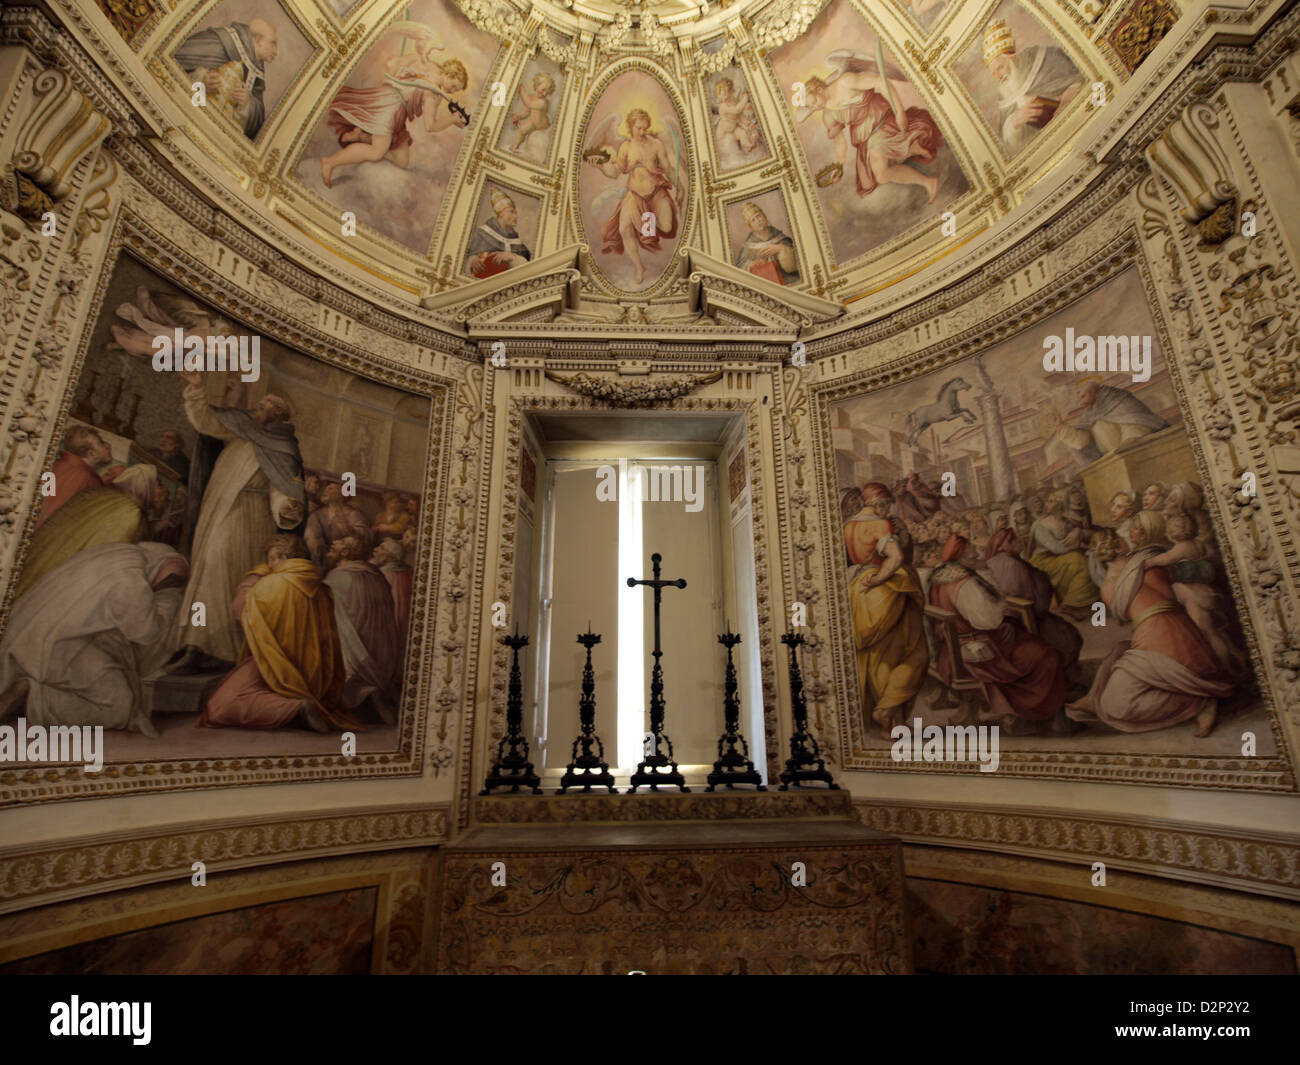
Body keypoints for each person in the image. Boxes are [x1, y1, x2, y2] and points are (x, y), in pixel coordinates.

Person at [169, 374, 307, 674]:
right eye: (262, 402)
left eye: (269, 404)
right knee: (205, 568)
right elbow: (205, 420)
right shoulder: (241, 429)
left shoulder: (282, 446)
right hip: (217, 508)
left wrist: (285, 506)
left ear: (280, 415)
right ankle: (194, 643)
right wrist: (195, 388)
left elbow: (281, 486)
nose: (261, 406)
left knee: (221, 570)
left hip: (248, 515)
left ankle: (220, 648)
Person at [1067, 511, 1234, 736]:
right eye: (1122, 537)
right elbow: (1200, 570)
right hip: (1188, 638)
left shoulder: (1109, 588)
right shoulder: (1151, 560)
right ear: (1118, 547)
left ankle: (1197, 700)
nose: (1128, 536)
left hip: (1158, 642)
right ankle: (1092, 699)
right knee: (1118, 652)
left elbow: (1127, 615)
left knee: (1114, 706)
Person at [0, 542, 189, 735]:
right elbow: (146, 633)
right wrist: (168, 600)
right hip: (60, 648)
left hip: (47, 638)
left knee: (118, 684)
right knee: (120, 707)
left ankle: (35, 686)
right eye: (170, 582)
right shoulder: (130, 582)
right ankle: (34, 698)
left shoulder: (122, 552)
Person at [199, 534, 350, 732]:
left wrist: (251, 579)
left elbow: (240, 613)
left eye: (272, 559)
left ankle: (296, 707)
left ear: (285, 558)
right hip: (315, 674)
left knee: (218, 707)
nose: (269, 565)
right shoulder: (321, 588)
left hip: (278, 663)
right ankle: (297, 706)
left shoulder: (271, 585)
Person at [928, 534, 1067, 734]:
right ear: (959, 557)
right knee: (1046, 655)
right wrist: (1006, 616)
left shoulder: (941, 578)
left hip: (955, 647)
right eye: (970, 551)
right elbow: (989, 620)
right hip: (978, 651)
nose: (977, 553)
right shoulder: (965, 583)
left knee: (1031, 642)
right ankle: (1029, 715)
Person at [802, 43, 942, 203]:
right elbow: (840, 141)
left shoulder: (845, 82)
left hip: (882, 121)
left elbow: (881, 82)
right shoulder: (827, 116)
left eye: (814, 101)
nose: (815, 106)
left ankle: (915, 155)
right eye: (811, 106)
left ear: (819, 90)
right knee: (881, 176)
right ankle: (924, 173)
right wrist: (839, 166)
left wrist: (900, 112)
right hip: (866, 139)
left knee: (879, 164)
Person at [844, 482, 928, 735]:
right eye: (887, 504)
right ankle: (887, 710)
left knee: (876, 658)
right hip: (883, 592)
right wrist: (879, 579)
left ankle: (887, 722)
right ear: (879, 503)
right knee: (915, 653)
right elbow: (896, 557)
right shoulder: (881, 524)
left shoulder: (847, 526)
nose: (888, 509)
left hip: (856, 592)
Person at [320, 48, 469, 188]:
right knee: (377, 152)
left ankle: (363, 136)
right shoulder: (434, 95)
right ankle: (330, 162)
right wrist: (452, 120)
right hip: (391, 108)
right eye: (454, 86)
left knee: (402, 161)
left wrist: (391, 81)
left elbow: (395, 63)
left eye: (456, 90)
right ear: (450, 75)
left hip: (392, 103)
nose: (452, 91)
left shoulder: (428, 64)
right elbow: (430, 126)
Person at [15, 465, 165, 600]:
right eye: (158, 486)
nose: (161, 492)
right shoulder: (132, 512)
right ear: (146, 486)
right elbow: (109, 560)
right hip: (68, 583)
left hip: (46, 564)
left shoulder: (100, 495)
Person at [586, 108, 680, 286]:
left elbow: (668, 168)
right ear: (631, 127)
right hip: (635, 194)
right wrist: (599, 165)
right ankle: (639, 267)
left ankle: (648, 220)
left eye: (645, 128)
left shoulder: (656, 145)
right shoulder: (626, 147)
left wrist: (681, 187)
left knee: (667, 227)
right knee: (624, 229)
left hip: (656, 191)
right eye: (638, 128)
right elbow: (614, 172)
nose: (642, 132)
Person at [1148, 510, 1239, 672]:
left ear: (1172, 531)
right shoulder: (1199, 544)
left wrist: (1147, 562)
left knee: (1208, 632)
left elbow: (1164, 559)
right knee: (1216, 631)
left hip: (1193, 596)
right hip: (1206, 591)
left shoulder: (1181, 548)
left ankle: (1226, 668)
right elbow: (1211, 556)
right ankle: (1239, 658)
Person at [984, 527, 1083, 672]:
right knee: (1070, 637)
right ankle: (1065, 680)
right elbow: (1034, 603)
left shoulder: (991, 562)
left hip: (1003, 619)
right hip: (1022, 621)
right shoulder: (1012, 564)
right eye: (1014, 540)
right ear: (1003, 546)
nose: (1019, 542)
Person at [325, 537, 402, 722]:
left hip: (358, 657)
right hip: (382, 656)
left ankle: (364, 691)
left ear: (345, 553)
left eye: (335, 544)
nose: (330, 547)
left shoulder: (336, 579)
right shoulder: (376, 575)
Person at [981, 18, 1084, 155]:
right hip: (1048, 152)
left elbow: (1085, 78)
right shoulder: (1004, 94)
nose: (999, 76)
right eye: (994, 73)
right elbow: (1009, 151)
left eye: (1000, 68)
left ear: (1012, 57)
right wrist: (1014, 121)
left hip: (1080, 126)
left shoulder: (1046, 58)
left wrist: (1065, 99)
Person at [174, 16, 279, 138]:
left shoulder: (257, 74)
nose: (276, 51)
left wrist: (247, 103)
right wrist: (201, 79)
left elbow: (257, 121)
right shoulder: (223, 40)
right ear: (259, 40)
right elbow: (178, 61)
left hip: (214, 135)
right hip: (186, 116)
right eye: (273, 43)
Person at [1050, 378, 1170, 460]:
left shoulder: (1119, 400)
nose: (1081, 403)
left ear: (1096, 393)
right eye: (1080, 399)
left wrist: (1123, 449)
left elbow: (1135, 425)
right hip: (1115, 459)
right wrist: (1061, 426)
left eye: (1083, 397)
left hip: (1138, 452)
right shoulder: (1090, 413)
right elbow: (1082, 441)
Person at [1029, 489, 1098, 619]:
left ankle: (1082, 603)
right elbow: (1056, 548)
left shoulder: (1066, 521)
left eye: (1051, 501)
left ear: (1060, 504)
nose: (1047, 504)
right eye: (1048, 501)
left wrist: (1078, 531)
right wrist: (1078, 544)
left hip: (1059, 558)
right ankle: (1072, 605)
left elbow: (1086, 534)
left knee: (1087, 558)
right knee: (1078, 560)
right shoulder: (1040, 525)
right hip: (1042, 560)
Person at [36, 425, 114, 528]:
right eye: (100, 443)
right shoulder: (85, 479)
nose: (107, 445)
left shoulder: (56, 465)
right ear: (92, 454)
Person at [464, 187, 532, 278]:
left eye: (516, 213)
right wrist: (472, 261)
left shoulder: (518, 243)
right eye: (511, 212)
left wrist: (512, 257)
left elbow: (528, 269)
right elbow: (463, 259)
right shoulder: (481, 234)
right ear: (501, 213)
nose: (515, 216)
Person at [304, 482, 372, 571]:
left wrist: (347, 528)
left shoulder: (353, 514)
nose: (325, 491)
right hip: (323, 559)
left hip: (346, 559)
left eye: (331, 488)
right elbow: (310, 536)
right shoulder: (317, 514)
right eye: (326, 488)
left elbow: (365, 537)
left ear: (342, 493)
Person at [733, 202, 800, 286]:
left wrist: (780, 249)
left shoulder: (780, 237)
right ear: (750, 226)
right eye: (753, 220)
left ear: (764, 216)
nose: (758, 221)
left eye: (758, 216)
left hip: (788, 281)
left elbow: (798, 262)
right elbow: (739, 271)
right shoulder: (748, 246)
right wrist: (751, 265)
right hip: (764, 285)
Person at [373, 538, 413, 644]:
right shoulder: (408, 572)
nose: (375, 549)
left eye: (381, 548)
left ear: (389, 556)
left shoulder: (380, 574)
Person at [712, 77, 760, 156]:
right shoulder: (723, 106)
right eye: (720, 95)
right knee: (728, 145)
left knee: (742, 133)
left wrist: (746, 122)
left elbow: (739, 114)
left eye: (725, 93)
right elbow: (736, 110)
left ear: (731, 92)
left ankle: (749, 146)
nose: (722, 97)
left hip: (733, 127)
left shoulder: (733, 100)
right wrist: (745, 98)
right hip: (723, 131)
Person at [509, 72, 555, 152]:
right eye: (543, 90)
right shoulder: (531, 97)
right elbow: (526, 112)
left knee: (526, 131)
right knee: (522, 130)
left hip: (542, 125)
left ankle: (517, 146)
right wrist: (519, 116)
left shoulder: (543, 102)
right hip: (533, 123)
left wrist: (522, 91)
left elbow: (529, 104)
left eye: (547, 92)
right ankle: (515, 146)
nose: (544, 93)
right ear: (537, 85)